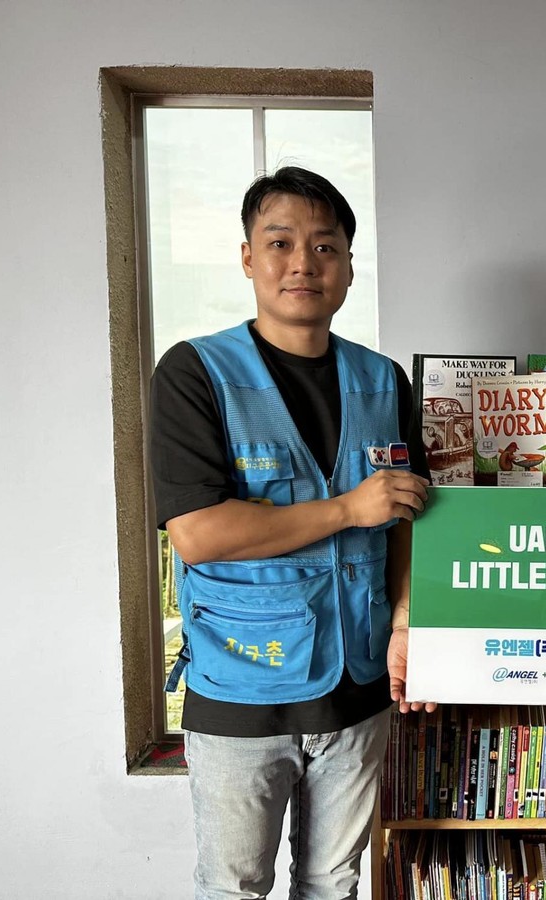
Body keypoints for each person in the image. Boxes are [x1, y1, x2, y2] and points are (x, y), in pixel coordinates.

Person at [150, 166, 433, 900]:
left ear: (347, 265)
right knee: (235, 886)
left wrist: (404, 622)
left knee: (336, 884)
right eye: (280, 242)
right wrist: (345, 509)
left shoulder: (383, 381)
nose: (303, 263)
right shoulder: (194, 373)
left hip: (359, 690)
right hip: (244, 686)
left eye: (326, 246)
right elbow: (199, 534)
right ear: (248, 257)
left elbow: (406, 520)